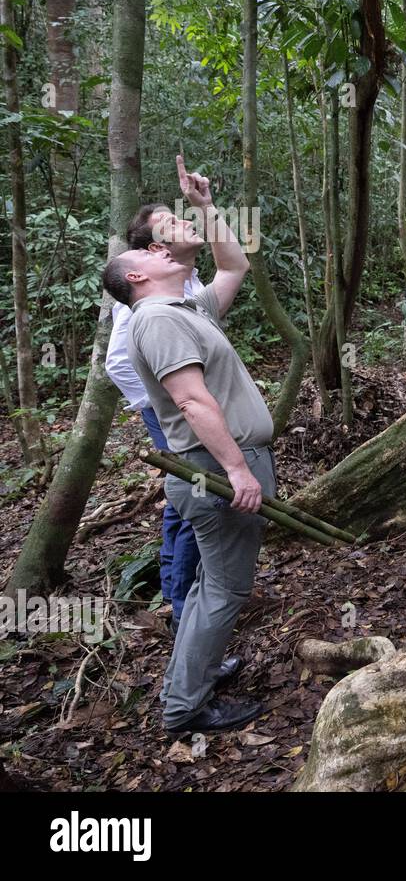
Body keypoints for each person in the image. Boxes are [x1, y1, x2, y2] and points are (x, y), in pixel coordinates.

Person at [100, 155, 273, 735]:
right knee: (226, 589)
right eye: (149, 251)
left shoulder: (182, 308)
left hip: (224, 467)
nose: (161, 249)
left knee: (211, 585)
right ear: (140, 276)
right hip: (216, 471)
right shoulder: (156, 320)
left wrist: (204, 207)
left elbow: (234, 266)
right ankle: (184, 707)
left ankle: (186, 684)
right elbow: (194, 403)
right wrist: (238, 470)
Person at [106, 203, 204, 630]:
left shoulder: (188, 279)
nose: (183, 221)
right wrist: (162, 402)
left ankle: (182, 591)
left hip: (188, 410)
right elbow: (118, 363)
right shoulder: (138, 304)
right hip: (171, 414)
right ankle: (183, 611)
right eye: (169, 222)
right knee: (190, 501)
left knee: (190, 498)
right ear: (155, 248)